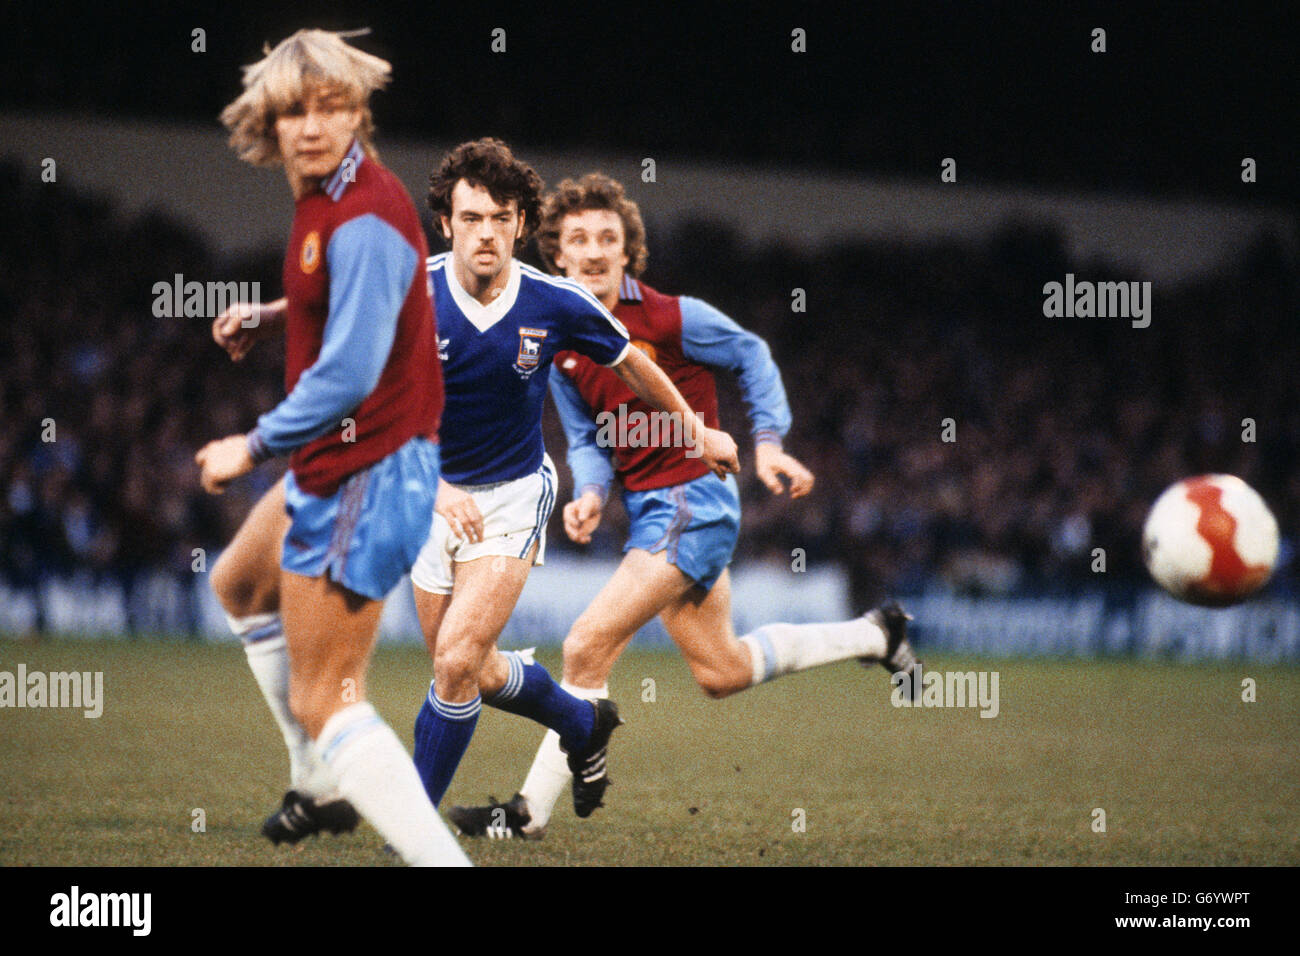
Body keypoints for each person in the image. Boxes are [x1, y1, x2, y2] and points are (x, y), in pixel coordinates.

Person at [448, 173, 920, 840]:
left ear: (626, 251)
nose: (593, 250)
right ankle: (878, 634)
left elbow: (751, 353)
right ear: (555, 253)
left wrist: (768, 444)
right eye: (577, 238)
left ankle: (528, 813)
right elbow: (586, 437)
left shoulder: (669, 317)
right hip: (652, 510)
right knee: (720, 671)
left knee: (585, 644)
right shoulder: (559, 339)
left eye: (607, 237)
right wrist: (588, 493)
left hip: (692, 500)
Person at [198, 28, 469, 865]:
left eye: (333, 107)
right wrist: (283, 314)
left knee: (330, 696)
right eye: (296, 111)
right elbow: (362, 301)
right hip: (346, 459)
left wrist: (252, 444)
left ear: (360, 113)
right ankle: (318, 786)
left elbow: (351, 369)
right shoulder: (329, 198)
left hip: (370, 464)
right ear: (270, 123)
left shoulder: (365, 208)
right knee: (241, 584)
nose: (313, 126)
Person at [408, 141, 741, 819]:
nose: (486, 232)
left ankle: (411, 829)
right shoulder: (412, 293)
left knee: (453, 665)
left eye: (501, 218)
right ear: (446, 224)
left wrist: (697, 431)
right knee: (467, 665)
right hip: (431, 494)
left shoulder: (553, 301)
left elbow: (633, 364)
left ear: (523, 224)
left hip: (510, 497)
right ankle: (582, 724)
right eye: (471, 218)